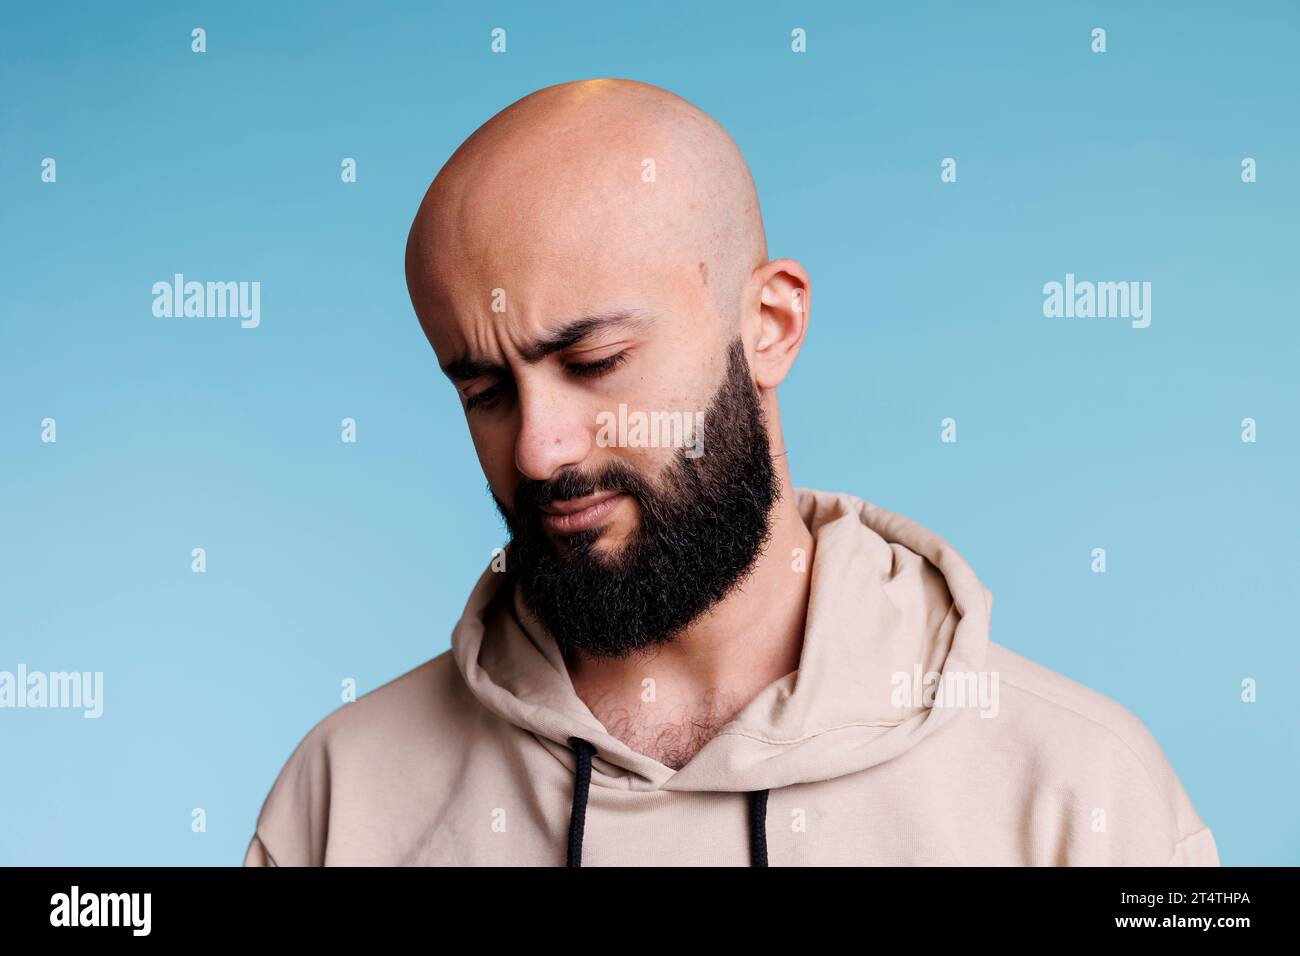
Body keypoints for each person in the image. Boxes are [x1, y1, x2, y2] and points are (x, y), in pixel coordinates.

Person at [243, 78, 1218, 866]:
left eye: (593, 364)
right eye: (486, 390)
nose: (541, 448)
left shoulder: (1079, 790)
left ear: (770, 326)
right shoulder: (345, 797)